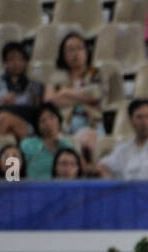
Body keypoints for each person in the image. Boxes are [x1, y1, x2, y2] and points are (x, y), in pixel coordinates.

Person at [46, 32, 104, 161]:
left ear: (86, 51)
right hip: (64, 125)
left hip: (91, 124)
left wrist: (65, 93)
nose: (76, 53)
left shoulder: (94, 72)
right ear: (63, 55)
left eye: (80, 48)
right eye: (71, 50)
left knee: (86, 140)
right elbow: (49, 102)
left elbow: (96, 95)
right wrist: (83, 96)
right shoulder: (56, 76)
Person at [0, 43, 46, 142]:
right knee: (8, 132)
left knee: (4, 117)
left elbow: (39, 112)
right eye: (12, 59)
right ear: (5, 62)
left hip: (25, 125)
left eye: (20, 59)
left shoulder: (35, 85)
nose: (16, 63)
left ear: (26, 61)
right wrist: (1, 103)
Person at [20, 104, 75, 180]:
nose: (48, 123)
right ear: (37, 126)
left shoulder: (67, 145)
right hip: (34, 189)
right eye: (43, 121)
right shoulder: (27, 145)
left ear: (58, 120)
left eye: (52, 118)